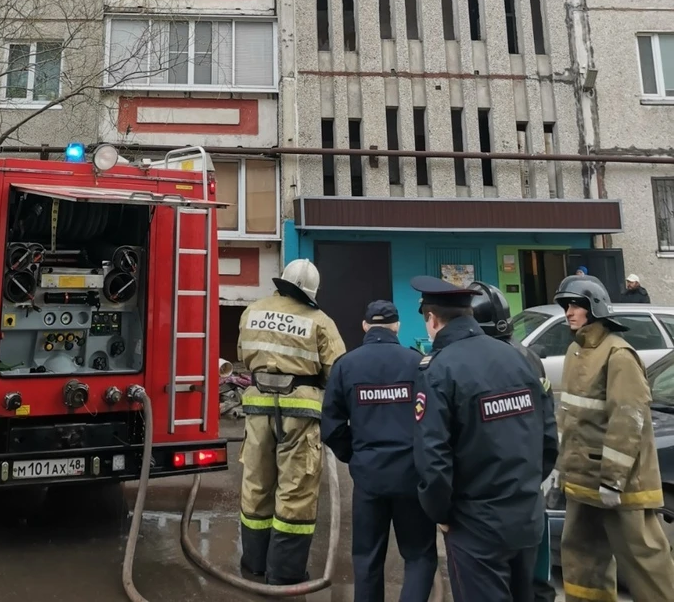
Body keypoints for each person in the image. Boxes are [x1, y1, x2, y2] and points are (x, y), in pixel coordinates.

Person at [410, 275, 558, 602]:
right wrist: (524, 489)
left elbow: (433, 460)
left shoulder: (437, 370)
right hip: (526, 518)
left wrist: (442, 515)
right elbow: (548, 438)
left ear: (432, 320)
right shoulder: (519, 359)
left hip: (475, 528)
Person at [553, 274, 674, 601]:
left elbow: (628, 422)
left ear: (595, 308)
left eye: (576, 304)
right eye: (566, 305)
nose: (569, 311)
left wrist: (613, 480)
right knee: (581, 560)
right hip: (582, 482)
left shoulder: (618, 354)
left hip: (620, 488)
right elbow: (572, 420)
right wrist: (561, 472)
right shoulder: (574, 352)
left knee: (644, 559)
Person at [237, 258, 346, 585]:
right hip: (301, 417)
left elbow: (244, 355)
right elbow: (338, 371)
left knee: (256, 486)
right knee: (295, 491)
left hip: (257, 411)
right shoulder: (320, 321)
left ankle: (254, 564)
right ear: (311, 291)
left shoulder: (252, 311)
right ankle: (284, 574)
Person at [321, 300, 437, 602]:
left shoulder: (346, 365)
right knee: (419, 557)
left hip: (369, 479)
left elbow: (331, 426)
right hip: (411, 477)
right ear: (397, 326)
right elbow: (434, 421)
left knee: (367, 559)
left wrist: (356, 455)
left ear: (364, 326)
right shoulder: (417, 363)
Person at [468, 281, 558, 602]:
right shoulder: (529, 358)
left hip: (488, 501)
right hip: (530, 491)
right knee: (535, 577)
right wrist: (535, 475)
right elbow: (549, 434)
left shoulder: (473, 362)